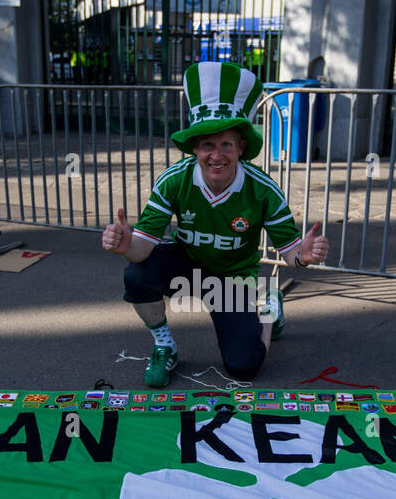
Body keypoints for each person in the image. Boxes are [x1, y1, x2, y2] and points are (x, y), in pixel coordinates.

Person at [101, 61, 329, 387]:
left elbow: (291, 251)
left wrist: (304, 255)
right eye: (207, 144)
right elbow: (141, 250)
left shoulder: (263, 189)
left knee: (244, 366)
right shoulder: (173, 181)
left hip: (232, 281)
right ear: (194, 147)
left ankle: (270, 309)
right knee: (137, 273)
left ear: (242, 148)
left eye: (226, 144)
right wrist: (126, 246)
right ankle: (165, 346)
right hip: (189, 268)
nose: (216, 155)